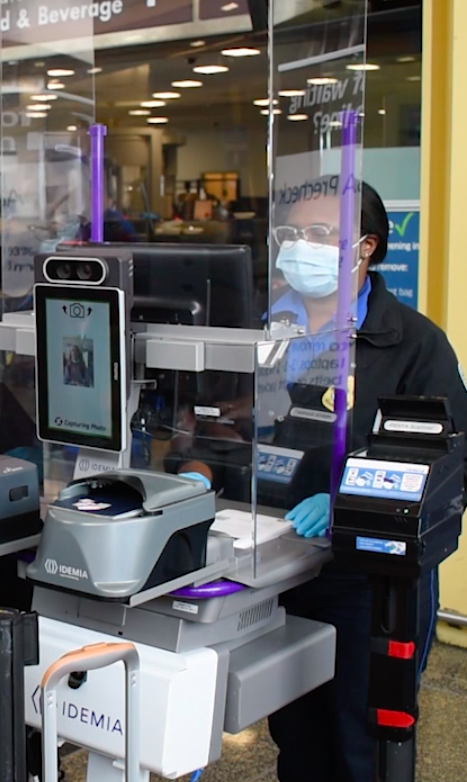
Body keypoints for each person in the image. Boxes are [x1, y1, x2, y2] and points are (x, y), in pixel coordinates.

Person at [178, 178, 467, 782]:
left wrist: (346, 502)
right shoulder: (259, 333)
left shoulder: (414, 344)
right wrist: (197, 470)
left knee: (361, 745)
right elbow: (207, 423)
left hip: (365, 581)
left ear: (364, 248)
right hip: (272, 567)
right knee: (299, 740)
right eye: (289, 234)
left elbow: (443, 468)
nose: (297, 247)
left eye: (318, 235)